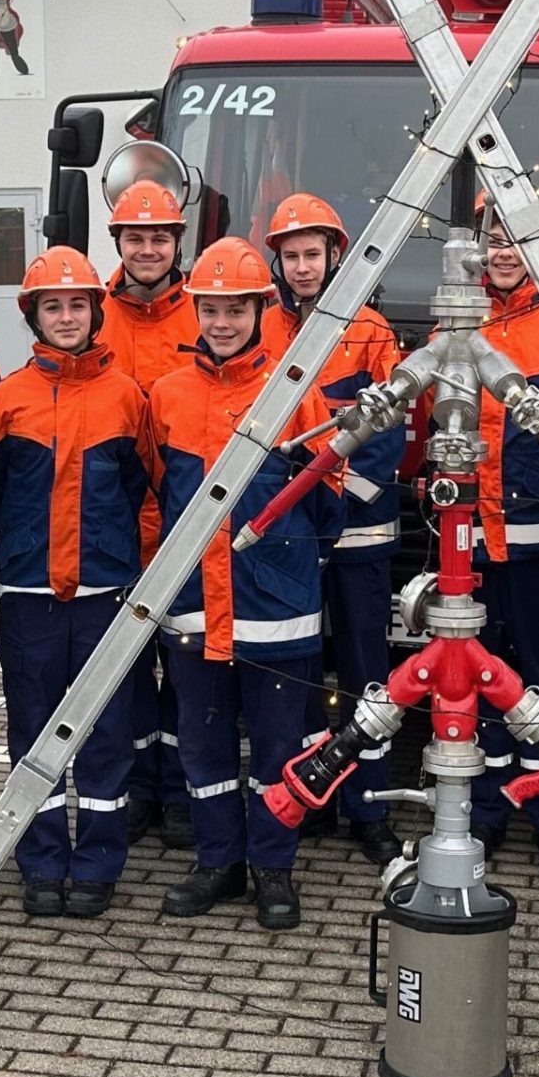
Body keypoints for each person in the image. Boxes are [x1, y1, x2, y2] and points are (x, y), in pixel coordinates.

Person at [150, 238, 341, 930]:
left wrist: (283, 567)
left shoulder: (294, 390)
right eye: (211, 309)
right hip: (197, 609)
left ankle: (273, 867)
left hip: (276, 612)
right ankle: (217, 861)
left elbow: (329, 499)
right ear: (195, 310)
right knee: (203, 747)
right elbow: (156, 493)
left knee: (277, 751)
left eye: (236, 309)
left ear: (263, 311)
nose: (223, 322)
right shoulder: (168, 394)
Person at [0, 248, 155, 918]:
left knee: (104, 735)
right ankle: (41, 862)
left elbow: (144, 490)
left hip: (105, 597)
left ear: (95, 313)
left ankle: (99, 864)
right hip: (29, 598)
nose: (68, 316)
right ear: (34, 316)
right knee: (33, 734)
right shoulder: (5, 402)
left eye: (78, 304)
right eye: (54, 305)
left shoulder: (127, 397)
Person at [262, 193, 405, 867]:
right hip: (288, 540)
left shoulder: (370, 330)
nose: (301, 267)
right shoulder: (262, 331)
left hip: (356, 538)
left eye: (311, 254)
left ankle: (369, 807)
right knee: (296, 677)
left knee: (364, 676)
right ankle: (310, 796)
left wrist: (334, 501)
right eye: (290, 256)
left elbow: (388, 435)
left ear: (334, 255)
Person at [466, 202, 539, 876]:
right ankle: (487, 808)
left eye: (515, 240)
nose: (503, 252)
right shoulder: (460, 322)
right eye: (492, 241)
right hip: (473, 545)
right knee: (481, 678)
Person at [96, 178, 199, 854]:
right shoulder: (91, 312)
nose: (149, 248)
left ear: (175, 242)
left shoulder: (207, 312)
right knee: (126, 673)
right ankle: (136, 789)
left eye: (159, 237)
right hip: (116, 523)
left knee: (189, 670)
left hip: (190, 523)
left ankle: (185, 790)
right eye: (136, 237)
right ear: (119, 243)